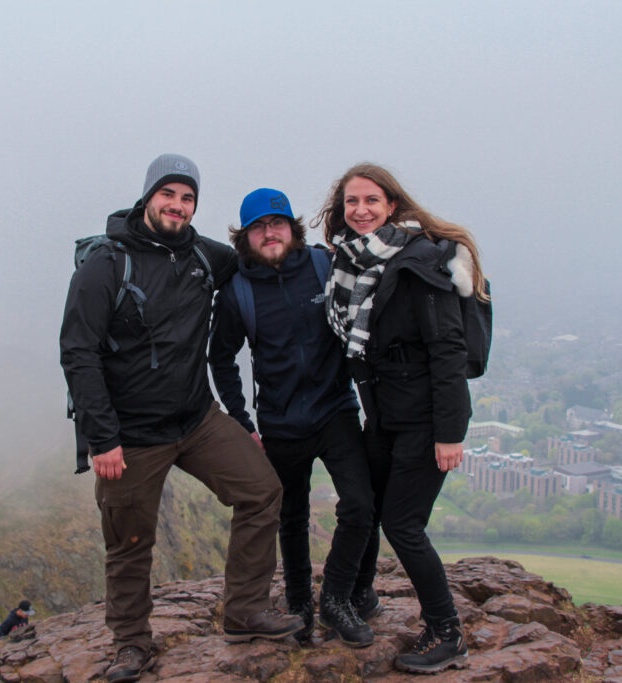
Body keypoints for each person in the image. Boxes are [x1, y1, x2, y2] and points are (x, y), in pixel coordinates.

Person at [60, 155, 304, 683]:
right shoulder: (106, 263)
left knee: (262, 491)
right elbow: (78, 351)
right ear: (148, 197)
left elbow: (254, 256)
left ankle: (243, 612)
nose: (177, 205)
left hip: (196, 419)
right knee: (129, 542)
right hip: (130, 435)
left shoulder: (201, 255)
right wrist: (101, 439)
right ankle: (131, 644)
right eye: (168, 194)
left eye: (187, 198)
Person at [317, 163, 488, 674]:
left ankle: (446, 630)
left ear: (392, 205)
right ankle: (354, 595)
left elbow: (448, 352)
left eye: (372, 200)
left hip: (424, 422)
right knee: (365, 506)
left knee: (403, 525)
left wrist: (450, 435)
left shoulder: (418, 264)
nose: (361, 210)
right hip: (385, 417)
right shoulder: (351, 265)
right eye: (352, 202)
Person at [209, 188, 376, 648]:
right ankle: (300, 602)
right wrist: (243, 421)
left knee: (361, 505)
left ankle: (337, 600)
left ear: (292, 229)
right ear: (244, 237)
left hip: (335, 410)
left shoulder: (325, 268)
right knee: (292, 518)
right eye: (259, 227)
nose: (269, 232)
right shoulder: (237, 292)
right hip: (280, 423)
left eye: (277, 223)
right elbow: (221, 357)